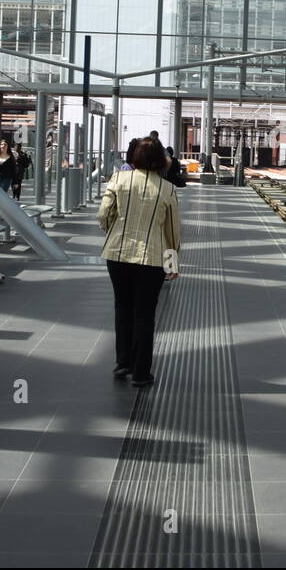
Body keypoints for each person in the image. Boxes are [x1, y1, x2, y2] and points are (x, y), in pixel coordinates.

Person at [98, 136, 181, 388]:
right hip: (152, 258)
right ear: (160, 160)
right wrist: (172, 264)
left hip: (117, 254)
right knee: (145, 314)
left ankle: (122, 361)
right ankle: (141, 373)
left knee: (122, 306)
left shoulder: (118, 179)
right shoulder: (167, 189)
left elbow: (103, 214)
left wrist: (112, 231)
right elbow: (172, 231)